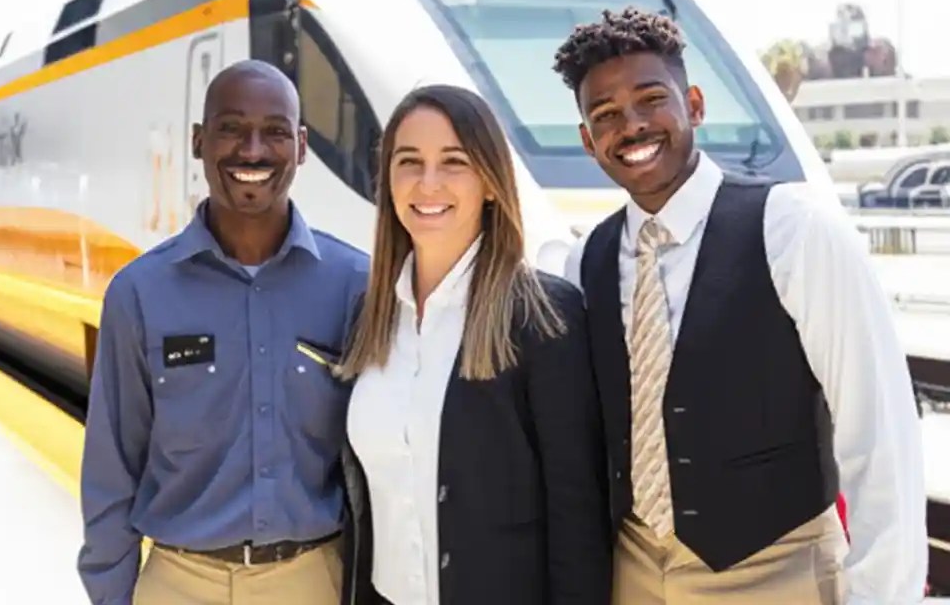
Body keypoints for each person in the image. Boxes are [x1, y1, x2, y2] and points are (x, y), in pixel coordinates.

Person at [553, 6, 927, 603]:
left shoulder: (795, 232)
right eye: (606, 115)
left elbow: (878, 431)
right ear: (588, 141)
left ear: (694, 104)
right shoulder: (585, 262)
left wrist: (882, 594)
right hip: (634, 576)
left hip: (780, 575)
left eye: (652, 99)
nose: (633, 125)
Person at [77, 59, 370, 604]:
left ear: (302, 146)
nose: (253, 151)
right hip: (178, 583)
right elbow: (111, 472)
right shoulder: (138, 294)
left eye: (275, 132)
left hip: (312, 583)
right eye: (231, 128)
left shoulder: (355, 285)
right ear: (198, 141)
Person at [338, 84, 613, 604]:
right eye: (410, 161)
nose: (429, 182)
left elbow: (577, 520)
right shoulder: (369, 318)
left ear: (490, 181)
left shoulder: (543, 317)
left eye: (454, 161)